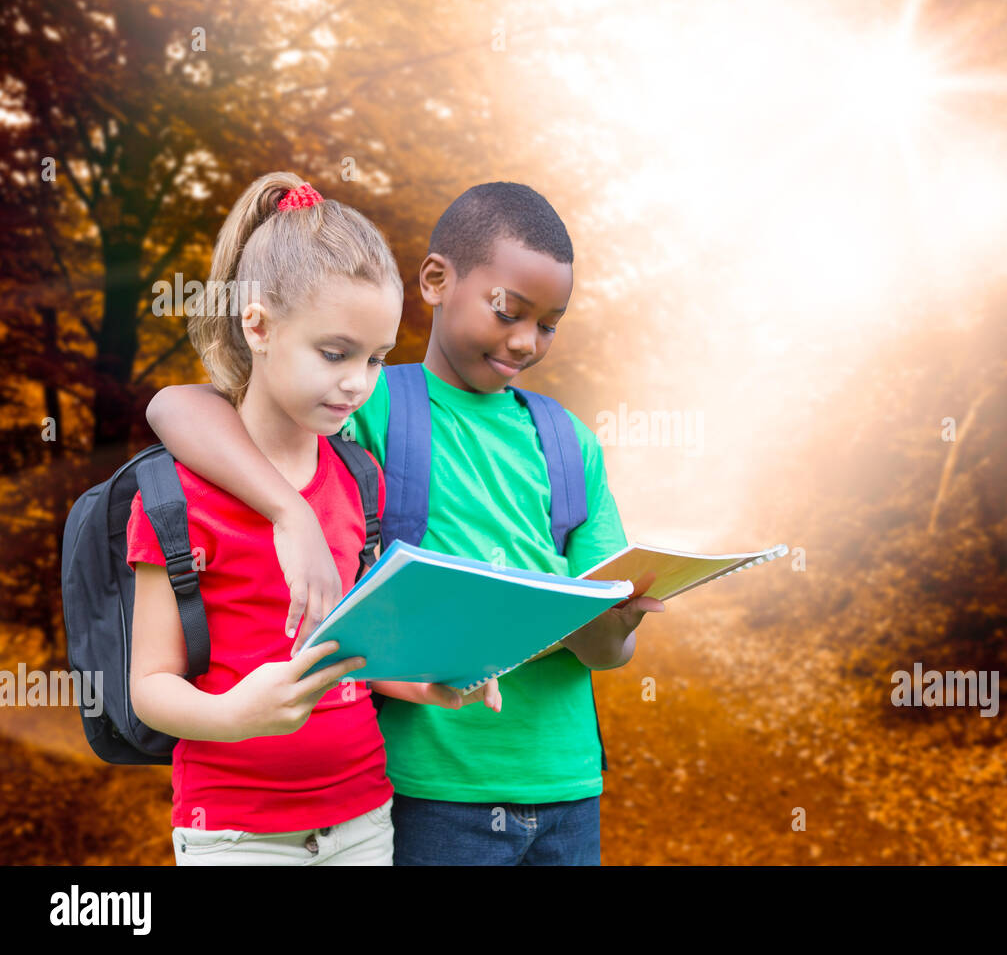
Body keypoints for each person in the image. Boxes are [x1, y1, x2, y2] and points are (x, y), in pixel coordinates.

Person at [145, 181, 664, 865]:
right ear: (436, 280)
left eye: (549, 322)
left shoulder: (570, 442)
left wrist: (613, 626)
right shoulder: (367, 407)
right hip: (427, 781)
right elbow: (177, 409)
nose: (525, 340)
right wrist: (289, 510)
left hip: (566, 777)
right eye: (508, 310)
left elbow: (608, 651)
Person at [128, 172, 499, 867]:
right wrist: (233, 716)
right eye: (335, 353)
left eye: (378, 359)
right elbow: (149, 687)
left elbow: (356, 653)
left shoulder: (361, 481)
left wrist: (429, 679)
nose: (358, 381)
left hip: (362, 813)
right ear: (259, 325)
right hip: (234, 830)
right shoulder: (176, 497)